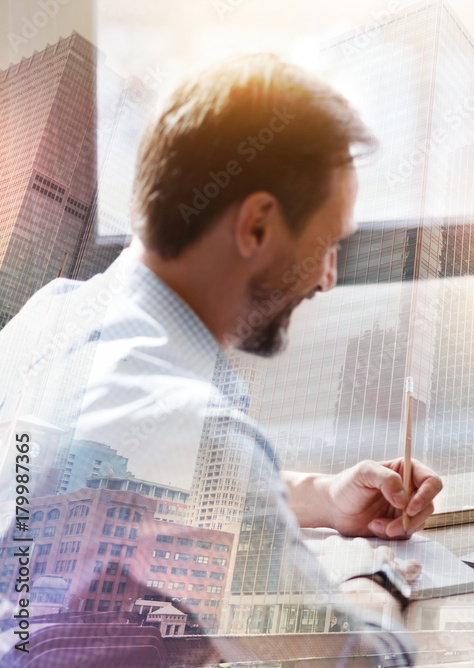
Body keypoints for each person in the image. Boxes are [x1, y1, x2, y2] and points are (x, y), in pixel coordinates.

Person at [0, 54, 441, 661]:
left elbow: (131, 484)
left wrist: (322, 496)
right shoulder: (189, 427)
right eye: (326, 242)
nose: (329, 277)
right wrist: (377, 585)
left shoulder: (46, 320)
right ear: (257, 225)